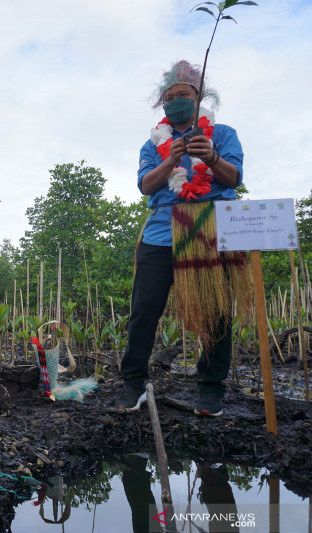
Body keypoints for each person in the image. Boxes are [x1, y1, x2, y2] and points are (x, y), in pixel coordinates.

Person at [116, 60, 250, 417]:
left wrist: (211, 156)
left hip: (211, 229)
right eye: (169, 97)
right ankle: (133, 384)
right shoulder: (152, 143)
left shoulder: (222, 134)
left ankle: (211, 389)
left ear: (199, 97)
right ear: (162, 104)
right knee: (144, 311)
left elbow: (234, 178)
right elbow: (145, 185)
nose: (175, 101)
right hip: (161, 231)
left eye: (183, 94)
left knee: (216, 312)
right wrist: (170, 160)